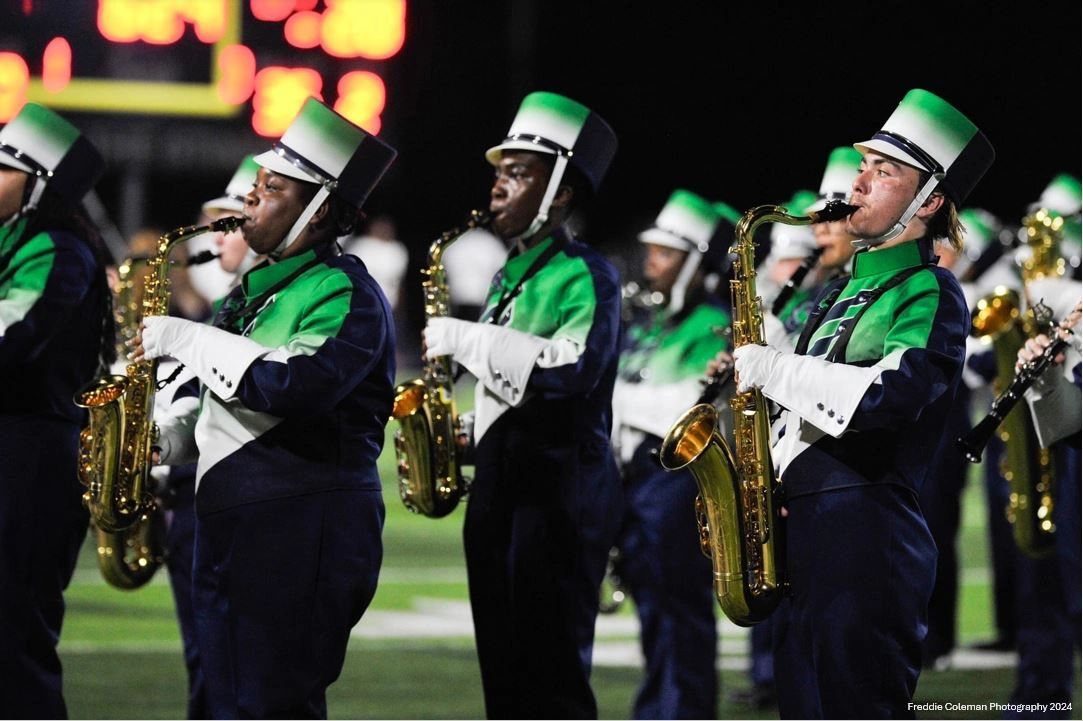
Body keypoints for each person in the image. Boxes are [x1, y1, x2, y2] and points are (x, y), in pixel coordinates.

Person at [733, 88, 994, 717]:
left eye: (885, 172)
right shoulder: (838, 294)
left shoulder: (932, 290)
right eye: (863, 168)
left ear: (928, 201)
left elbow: (891, 394)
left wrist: (775, 368)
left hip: (867, 532)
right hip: (805, 530)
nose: (860, 183)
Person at [133, 97, 397, 718]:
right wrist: (165, 440)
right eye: (255, 184)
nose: (250, 199)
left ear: (320, 207)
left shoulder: (344, 289)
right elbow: (221, 406)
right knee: (222, 702)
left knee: (272, 704)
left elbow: (296, 386)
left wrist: (191, 337)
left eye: (272, 187)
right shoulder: (255, 291)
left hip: (302, 532)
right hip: (235, 528)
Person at [422, 91, 622, 718]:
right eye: (498, 173)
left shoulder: (584, 272)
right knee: (503, 679)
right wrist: (474, 431)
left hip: (559, 492)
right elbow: (515, 385)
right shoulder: (511, 274)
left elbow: (574, 372)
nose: (498, 188)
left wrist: (466, 337)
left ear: (559, 192)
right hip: (503, 487)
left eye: (517, 174)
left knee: (552, 678)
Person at [0, 102, 109, 718]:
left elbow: (11, 337)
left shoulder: (59, 247)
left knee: (13, 642)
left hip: (28, 458)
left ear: (39, 181)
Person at [610, 189, 733, 719]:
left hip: (676, 478)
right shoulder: (647, 322)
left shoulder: (711, 323)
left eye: (666, 252)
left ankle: (684, 709)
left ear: (693, 261)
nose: (652, 261)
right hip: (635, 476)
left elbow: (685, 408)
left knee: (679, 605)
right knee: (652, 603)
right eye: (652, 250)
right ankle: (657, 706)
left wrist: (615, 402)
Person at [152, 155, 261, 719]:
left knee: (229, 674)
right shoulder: (228, 306)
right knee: (206, 666)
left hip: (225, 505)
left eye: (228, 223)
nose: (216, 238)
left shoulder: (257, 310)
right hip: (188, 496)